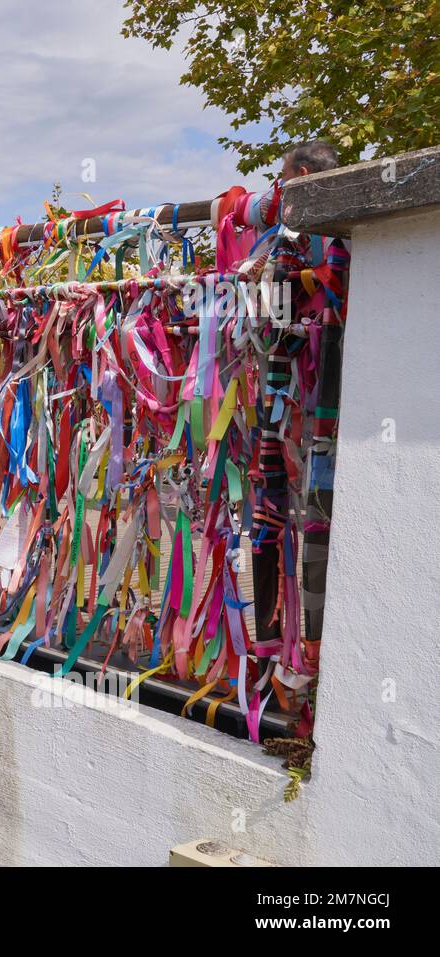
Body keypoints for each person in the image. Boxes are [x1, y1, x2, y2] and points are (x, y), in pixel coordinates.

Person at [251, 140, 349, 654]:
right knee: (295, 500)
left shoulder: (322, 236)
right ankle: (291, 647)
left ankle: (303, 649)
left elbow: (282, 304)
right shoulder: (317, 239)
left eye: (284, 177)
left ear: (304, 174)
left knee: (309, 502)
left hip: (311, 388)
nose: (279, 187)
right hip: (308, 393)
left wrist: (284, 286)